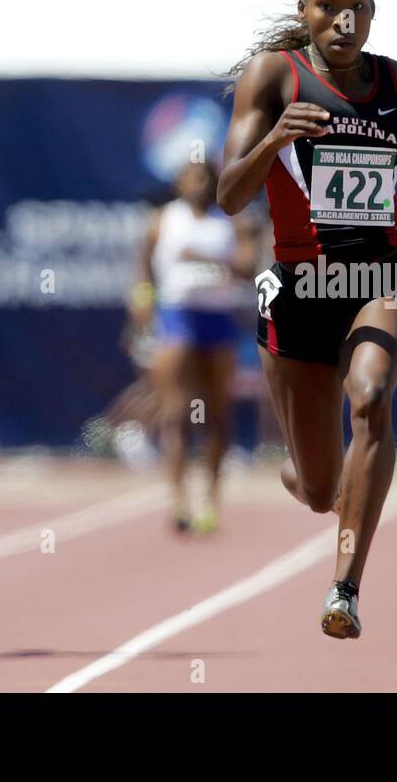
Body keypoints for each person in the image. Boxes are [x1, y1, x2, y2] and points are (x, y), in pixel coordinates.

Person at [217, 0, 397, 639]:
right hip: (299, 286)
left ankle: (345, 588)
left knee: (369, 398)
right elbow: (227, 195)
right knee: (315, 490)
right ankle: (311, 476)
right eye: (327, 7)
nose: (343, 21)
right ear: (304, 10)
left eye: (356, 7)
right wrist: (276, 136)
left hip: (380, 272)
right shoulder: (272, 77)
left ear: (373, 11)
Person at [131, 160, 256, 534]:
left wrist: (205, 257)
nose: (198, 185)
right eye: (191, 178)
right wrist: (140, 308)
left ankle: (211, 498)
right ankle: (178, 499)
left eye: (205, 178)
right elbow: (143, 273)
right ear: (179, 182)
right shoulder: (162, 220)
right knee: (176, 413)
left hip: (217, 319)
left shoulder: (231, 221)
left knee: (217, 414)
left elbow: (248, 267)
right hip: (177, 317)